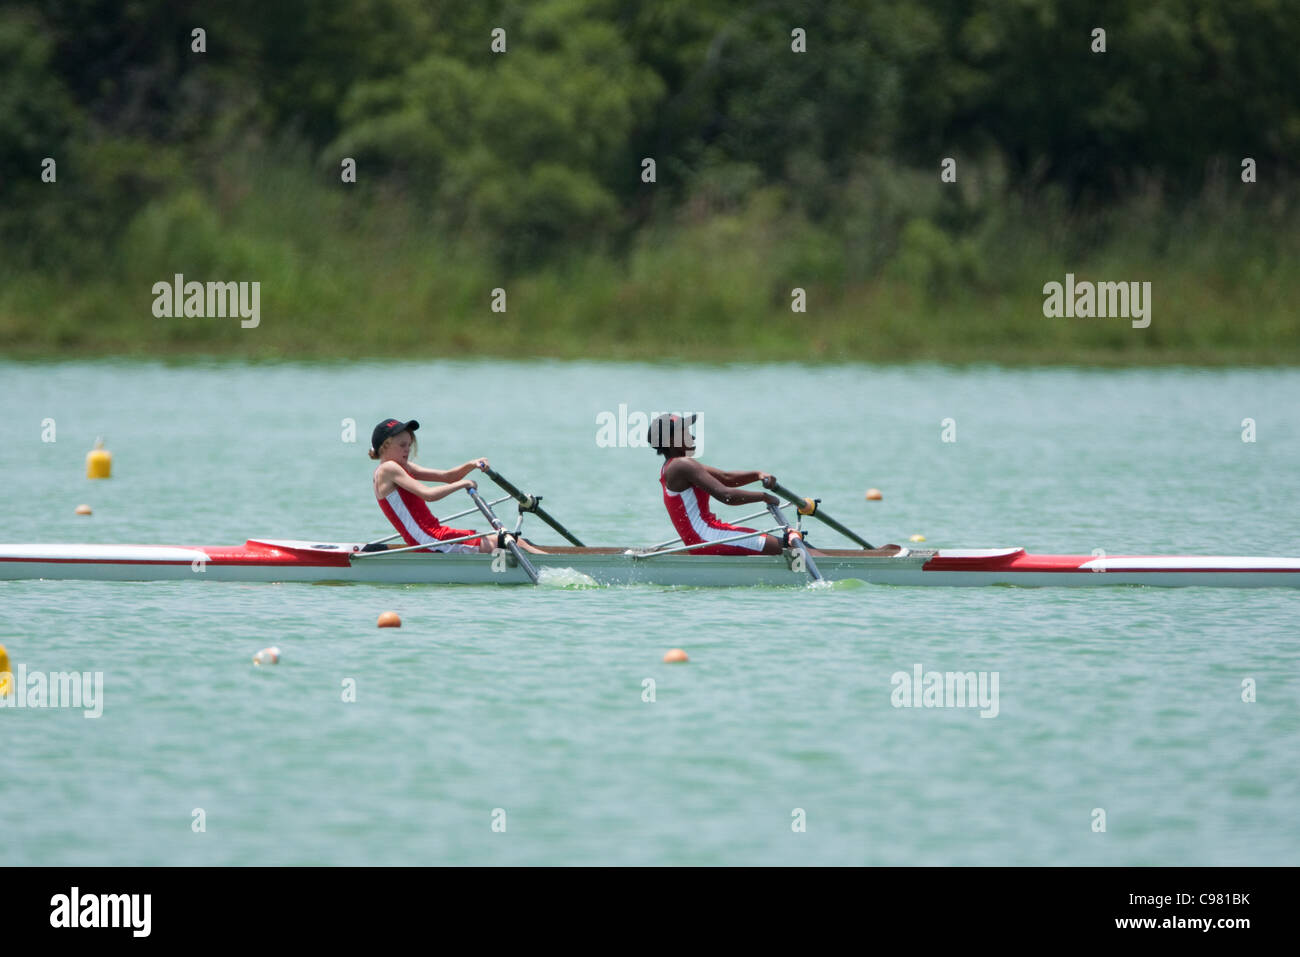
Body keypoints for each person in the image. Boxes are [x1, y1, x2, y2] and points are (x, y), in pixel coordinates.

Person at [647, 413, 815, 556]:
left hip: (707, 537)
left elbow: (726, 477)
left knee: (797, 546)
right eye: (685, 432)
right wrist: (764, 497)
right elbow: (727, 496)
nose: (693, 436)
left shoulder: (676, 466)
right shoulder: (682, 465)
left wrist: (758, 475)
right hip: (708, 538)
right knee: (795, 547)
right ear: (670, 440)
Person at [369, 418, 544, 554]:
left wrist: (471, 464)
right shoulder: (388, 469)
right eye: (402, 445)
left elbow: (447, 477)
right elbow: (428, 494)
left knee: (512, 541)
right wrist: (463, 485)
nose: (407, 450)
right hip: (430, 540)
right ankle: (553, 566)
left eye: (409, 445)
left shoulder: (401, 467)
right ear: (385, 446)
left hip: (434, 536)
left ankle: (549, 560)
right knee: (511, 541)